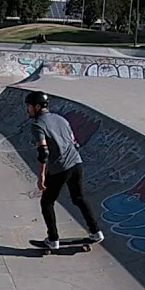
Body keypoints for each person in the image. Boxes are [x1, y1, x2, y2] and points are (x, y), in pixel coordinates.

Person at [25, 90, 103, 250]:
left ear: (37, 107)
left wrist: (41, 175)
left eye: (29, 106)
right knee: (79, 198)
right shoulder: (61, 119)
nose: (27, 109)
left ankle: (53, 239)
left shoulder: (38, 125)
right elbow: (74, 142)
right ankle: (96, 232)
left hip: (59, 169)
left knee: (47, 202)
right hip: (76, 164)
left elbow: (43, 152)